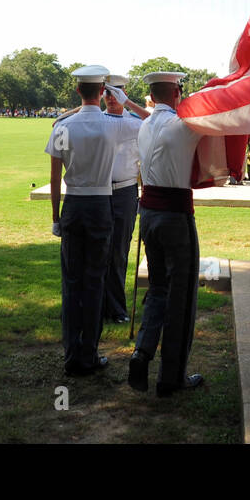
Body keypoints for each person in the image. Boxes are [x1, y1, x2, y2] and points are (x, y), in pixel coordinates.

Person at [46, 65, 146, 376]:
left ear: (77, 91)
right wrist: (126, 102)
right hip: (102, 205)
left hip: (74, 204)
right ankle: (88, 353)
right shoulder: (114, 126)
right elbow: (153, 121)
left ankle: (71, 354)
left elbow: (54, 178)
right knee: (94, 282)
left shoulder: (64, 127)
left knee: (71, 283)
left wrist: (54, 216)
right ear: (103, 92)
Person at [129, 71, 205, 397]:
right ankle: (171, 377)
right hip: (175, 216)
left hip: (148, 214)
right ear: (176, 92)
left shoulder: (144, 125)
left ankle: (142, 352)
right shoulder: (183, 125)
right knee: (181, 296)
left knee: (158, 288)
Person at [101, 74, 144, 326]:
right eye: (106, 92)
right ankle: (97, 305)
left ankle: (116, 307)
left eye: (116, 92)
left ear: (124, 93)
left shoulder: (136, 122)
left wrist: (127, 103)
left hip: (125, 192)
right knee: (98, 251)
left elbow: (156, 123)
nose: (111, 97)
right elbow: (60, 123)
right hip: (99, 191)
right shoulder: (95, 119)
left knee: (118, 251)